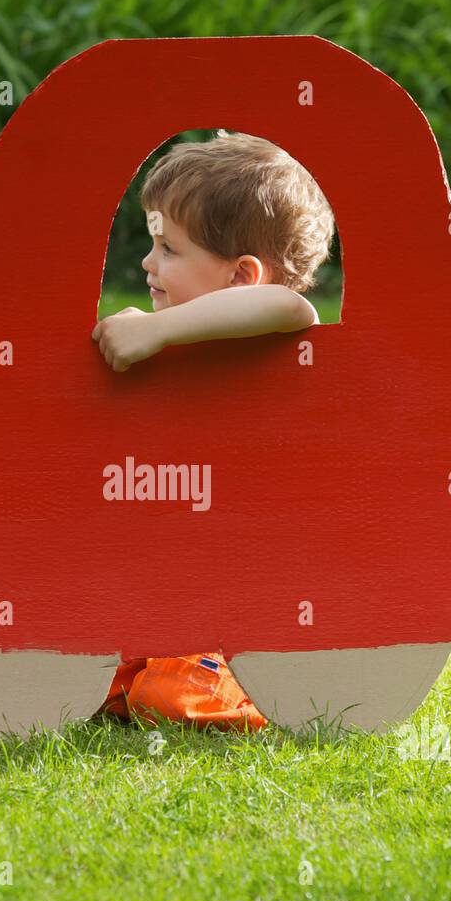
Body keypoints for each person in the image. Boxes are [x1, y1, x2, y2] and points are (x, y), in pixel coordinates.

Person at [91, 131, 336, 733]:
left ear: (240, 277)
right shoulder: (181, 345)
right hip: (170, 589)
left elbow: (286, 306)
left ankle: (270, 694)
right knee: (96, 679)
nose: (148, 264)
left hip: (250, 605)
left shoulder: (278, 332)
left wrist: (156, 332)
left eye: (169, 250)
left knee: (170, 701)